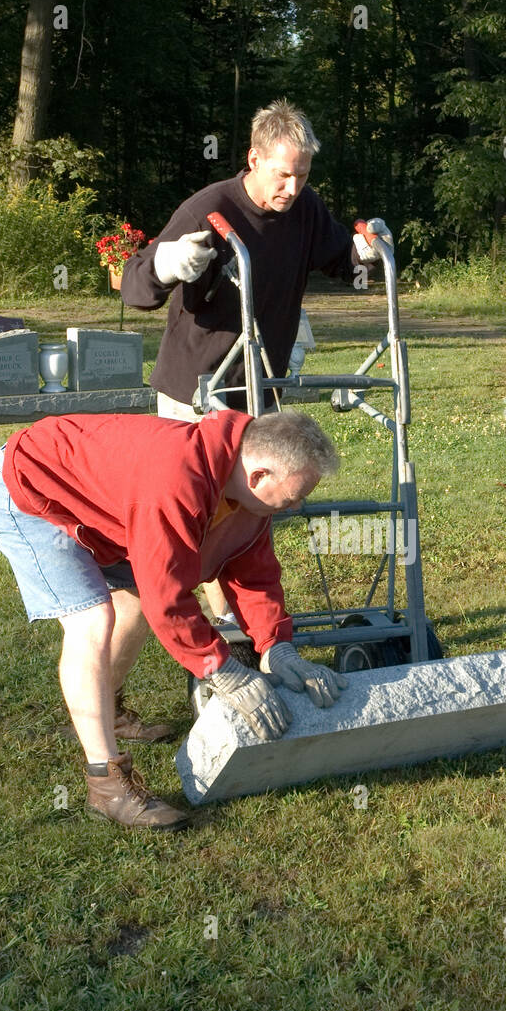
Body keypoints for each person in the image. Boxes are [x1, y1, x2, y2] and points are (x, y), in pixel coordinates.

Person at [0, 408, 348, 832]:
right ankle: (107, 784)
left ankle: (107, 714)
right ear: (259, 475)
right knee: (93, 621)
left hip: (101, 507)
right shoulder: (174, 480)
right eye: (295, 495)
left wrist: (276, 646)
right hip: (28, 491)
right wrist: (222, 670)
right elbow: (166, 597)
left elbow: (253, 572)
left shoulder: (244, 489)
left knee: (130, 605)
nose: (296, 507)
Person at [121, 97, 390, 625]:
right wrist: (166, 263)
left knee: (246, 515)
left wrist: (366, 249)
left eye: (303, 175)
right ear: (253, 158)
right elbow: (135, 287)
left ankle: (244, 628)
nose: (292, 188)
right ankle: (198, 622)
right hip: (196, 391)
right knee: (196, 518)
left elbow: (339, 256)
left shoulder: (305, 208)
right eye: (283, 175)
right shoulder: (208, 207)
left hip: (259, 387)